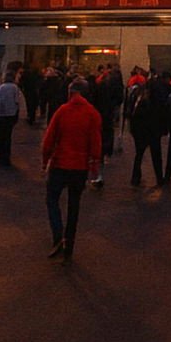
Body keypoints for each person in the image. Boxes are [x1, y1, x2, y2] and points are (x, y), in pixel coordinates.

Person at [40, 78, 101, 261]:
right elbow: (96, 143)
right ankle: (69, 243)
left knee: (52, 199)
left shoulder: (62, 111)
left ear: (71, 92)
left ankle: (58, 235)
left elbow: (49, 139)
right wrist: (94, 166)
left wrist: (45, 161)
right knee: (74, 205)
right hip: (80, 166)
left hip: (60, 163)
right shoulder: (92, 113)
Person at [127, 73, 170, 186]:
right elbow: (162, 113)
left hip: (139, 130)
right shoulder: (156, 99)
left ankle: (135, 178)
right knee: (156, 154)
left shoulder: (137, 94)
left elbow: (130, 112)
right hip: (153, 130)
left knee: (139, 154)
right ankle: (159, 178)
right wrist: (163, 129)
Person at [0, 71, 22, 167]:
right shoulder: (14, 88)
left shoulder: (1, 87)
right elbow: (17, 101)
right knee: (7, 137)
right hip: (11, 114)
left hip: (1, 114)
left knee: (0, 137)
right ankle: (6, 158)